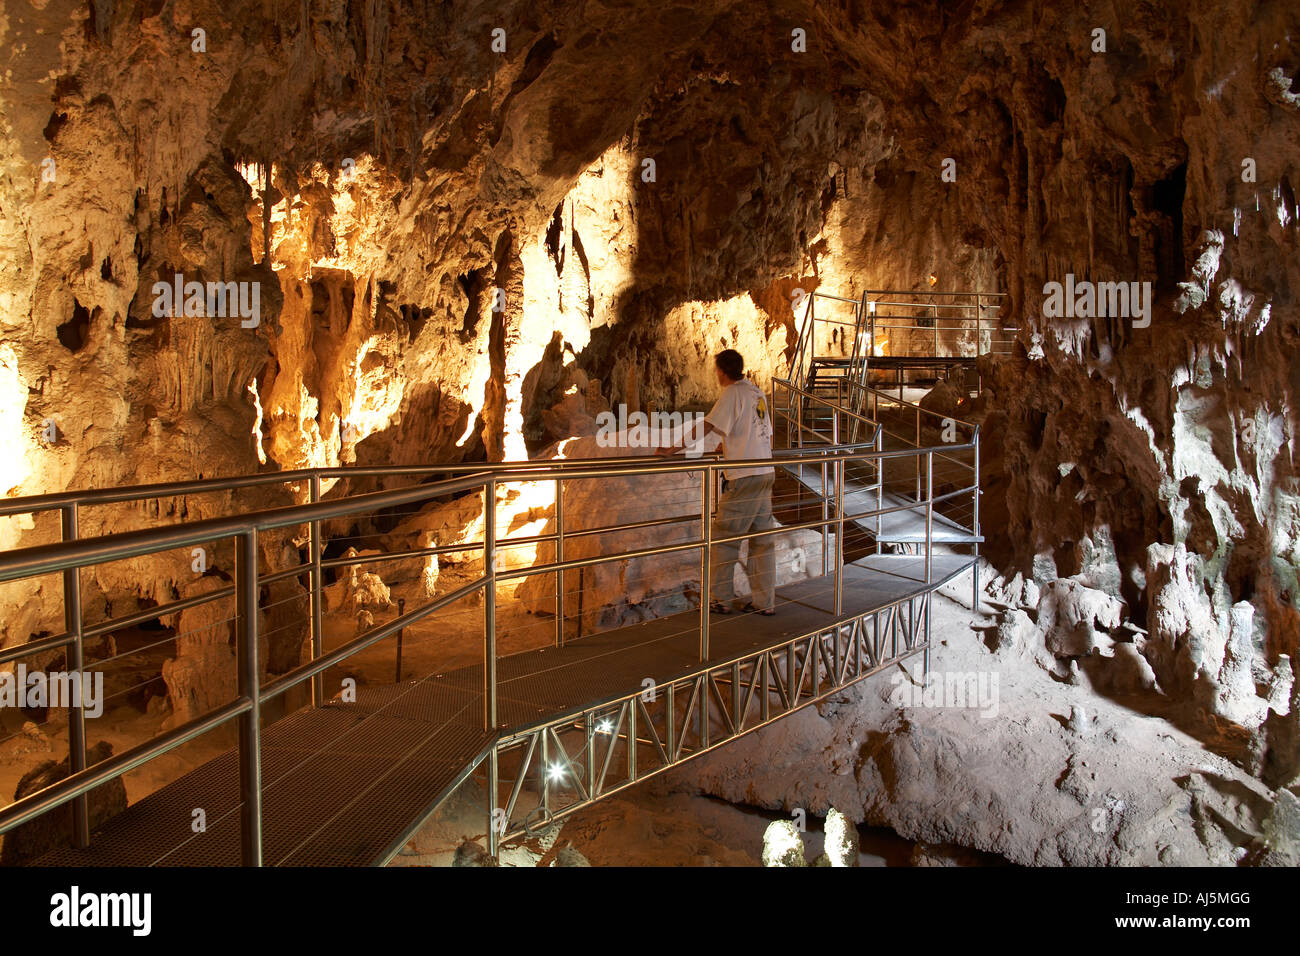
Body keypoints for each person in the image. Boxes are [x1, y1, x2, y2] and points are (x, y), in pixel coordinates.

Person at [656, 349, 776, 616]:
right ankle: (765, 602)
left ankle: (720, 599)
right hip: (765, 472)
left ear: (722, 371)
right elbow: (762, 432)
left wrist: (673, 450)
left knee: (724, 538)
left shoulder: (732, 393)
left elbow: (707, 425)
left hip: (745, 477)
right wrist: (730, 445)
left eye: (717, 370)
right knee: (762, 541)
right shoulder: (756, 392)